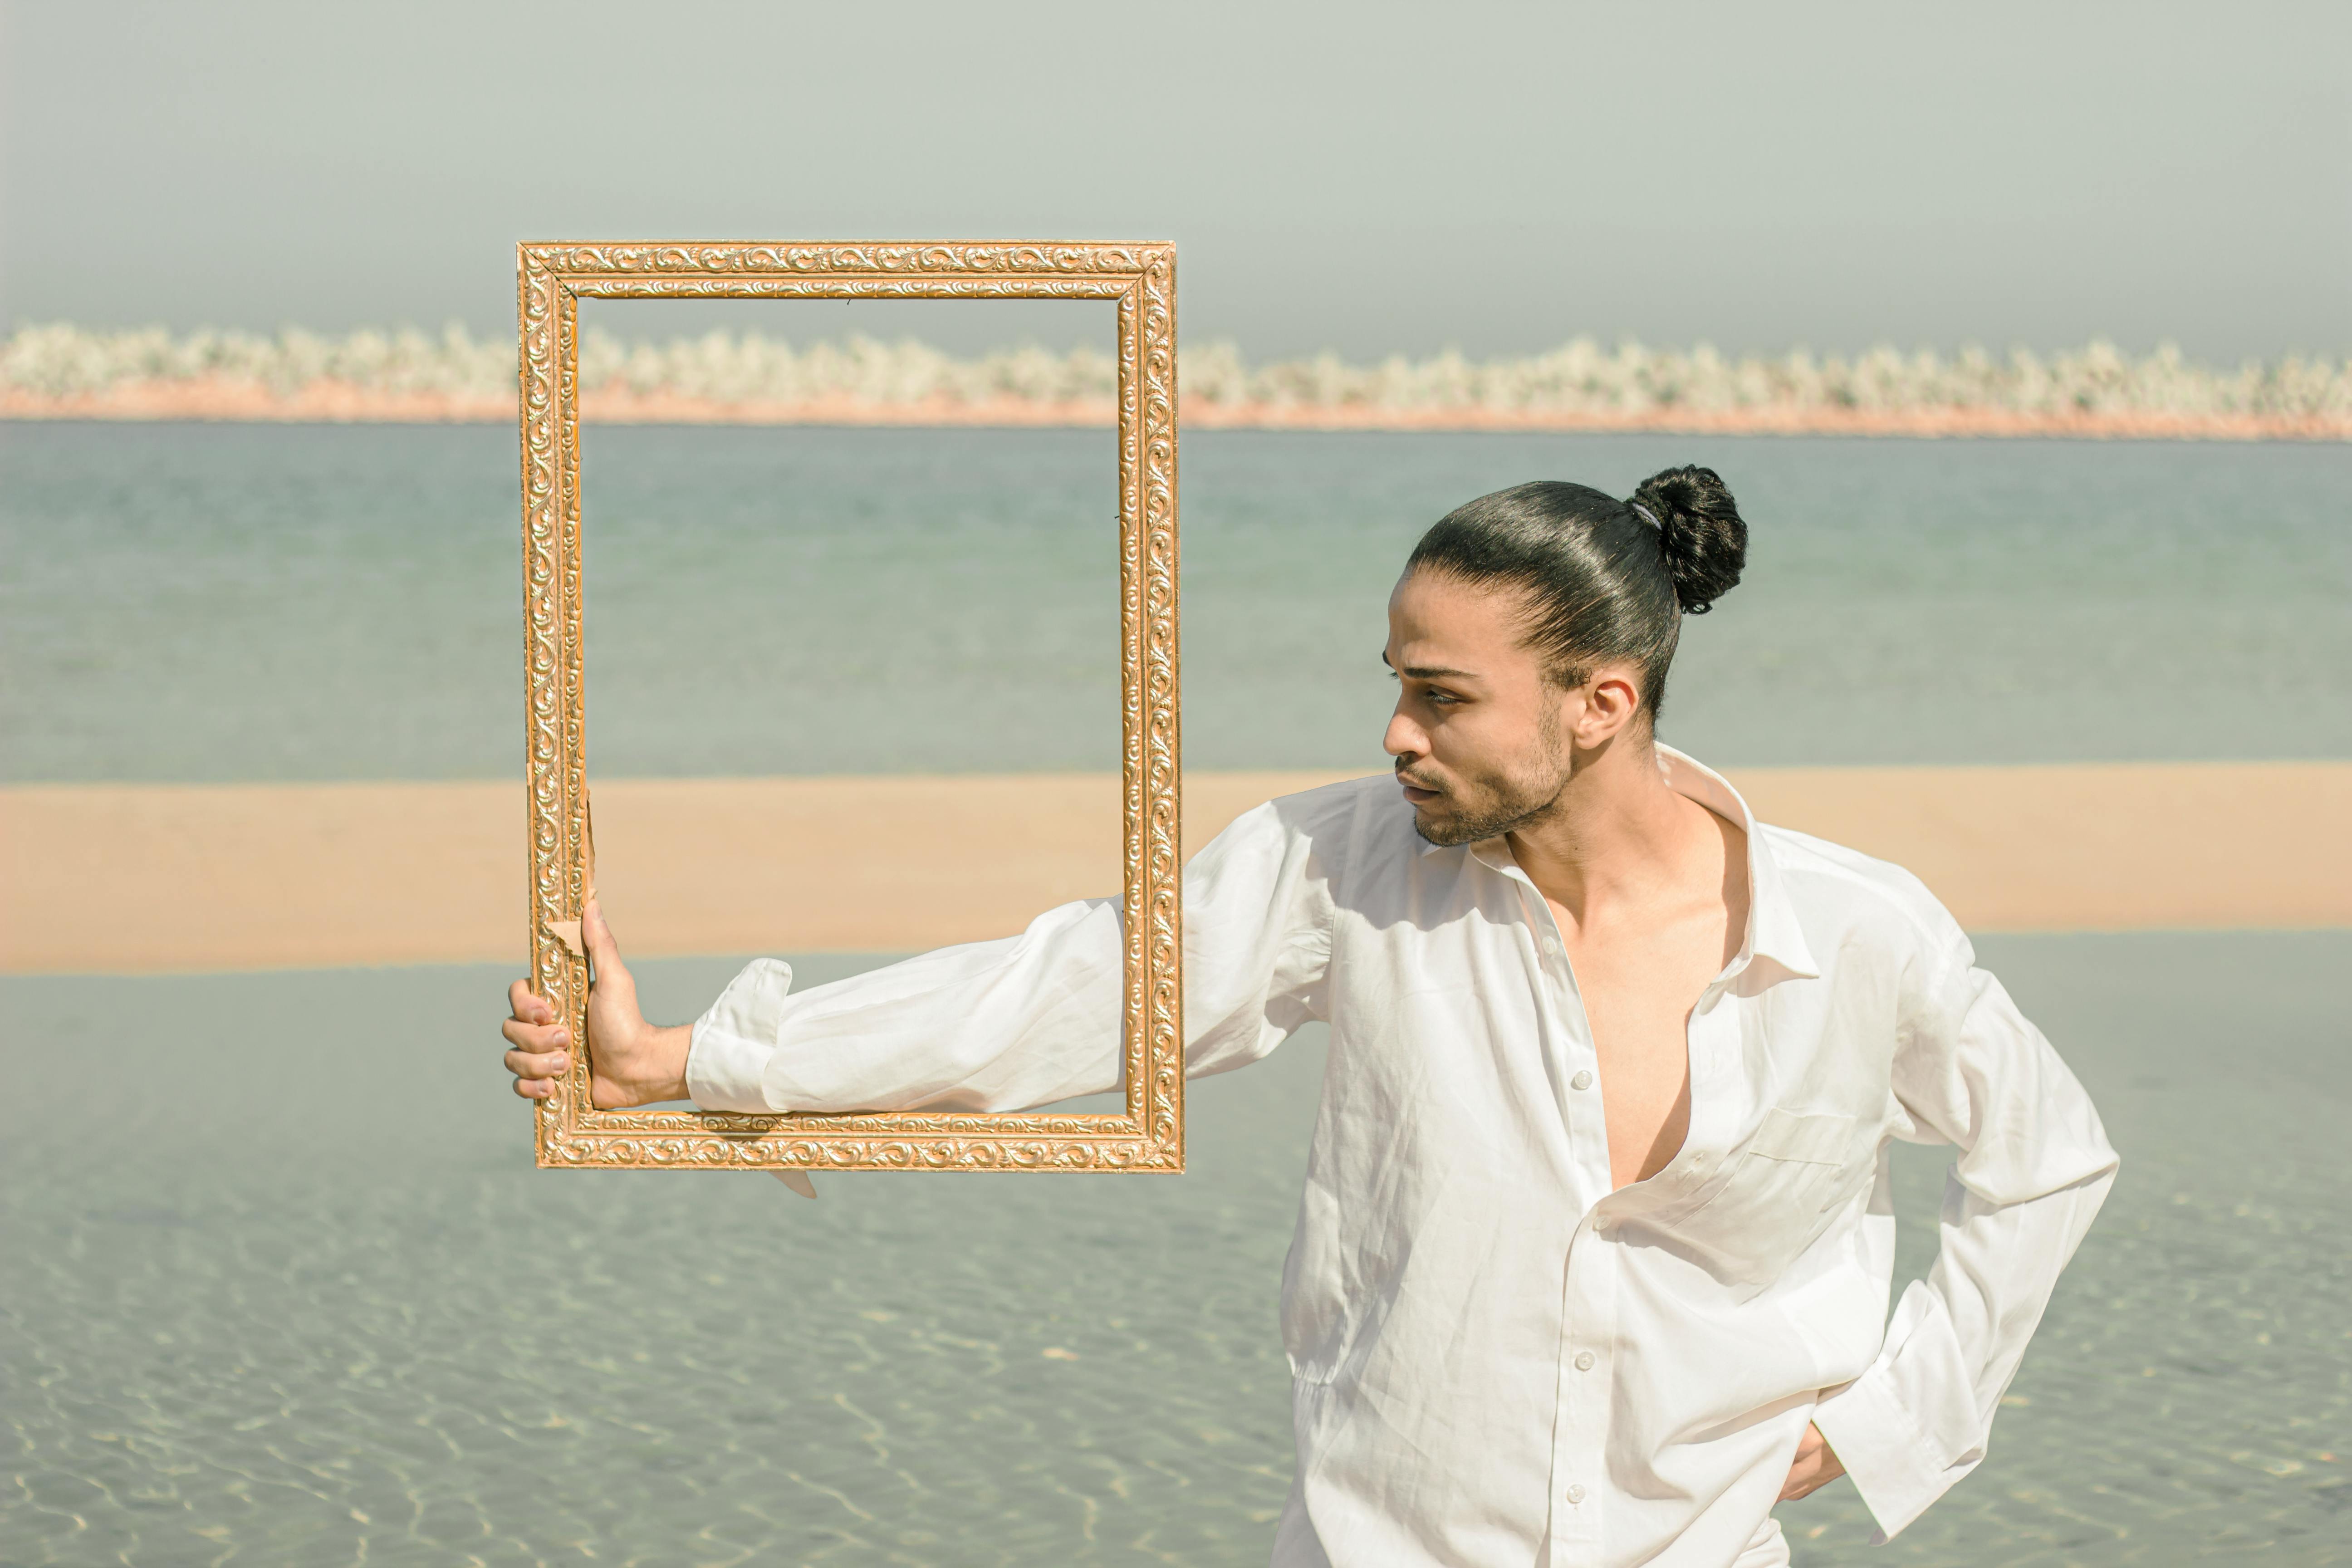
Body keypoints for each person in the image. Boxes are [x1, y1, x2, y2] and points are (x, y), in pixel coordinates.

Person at [500, 467, 2117, 1568]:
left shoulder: (1856, 933)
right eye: (1396, 684)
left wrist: (1895, 1418)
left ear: (1602, 703)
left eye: (1444, 696)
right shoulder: (1338, 867)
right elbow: (1062, 998)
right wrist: (685, 1059)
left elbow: (2048, 1163)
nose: (1398, 732)